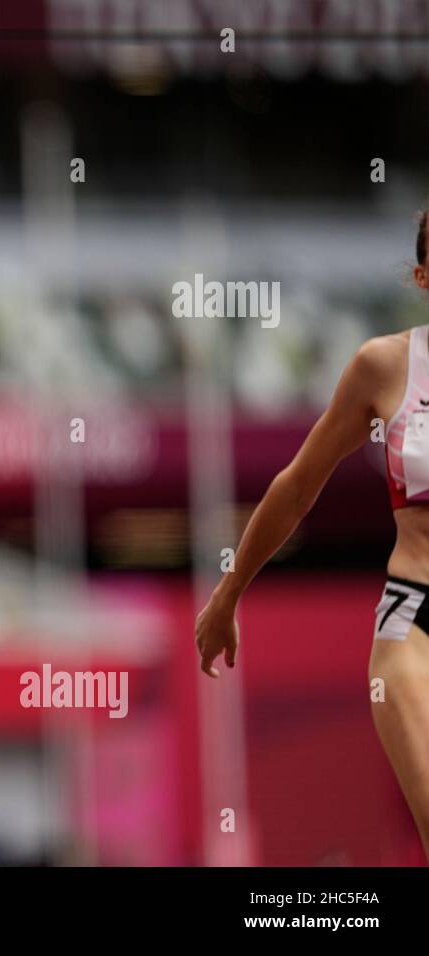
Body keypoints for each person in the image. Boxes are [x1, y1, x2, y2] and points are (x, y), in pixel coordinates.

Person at [196, 209, 429, 860]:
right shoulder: (386, 366)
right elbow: (297, 485)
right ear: (422, 275)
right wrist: (229, 592)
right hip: (415, 625)